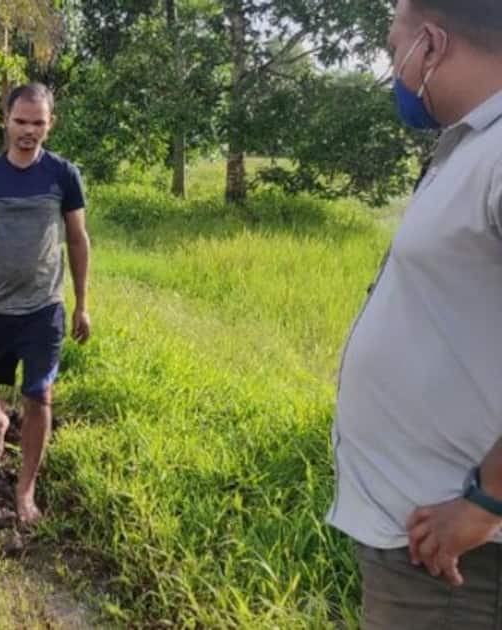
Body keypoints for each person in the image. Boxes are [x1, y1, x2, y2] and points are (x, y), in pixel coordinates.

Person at [327, 1, 502, 627]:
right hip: (422, 537)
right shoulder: (469, 147)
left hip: (459, 559)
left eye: (391, 47)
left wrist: (488, 502)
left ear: (429, 44)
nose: (391, 67)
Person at [0, 83, 92, 525]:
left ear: (51, 124)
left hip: (43, 308)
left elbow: (77, 239)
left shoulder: (63, 175)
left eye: (38, 123)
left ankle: (24, 489)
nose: (29, 131)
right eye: (21, 121)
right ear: (5, 120)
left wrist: (82, 303)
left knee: (38, 394)